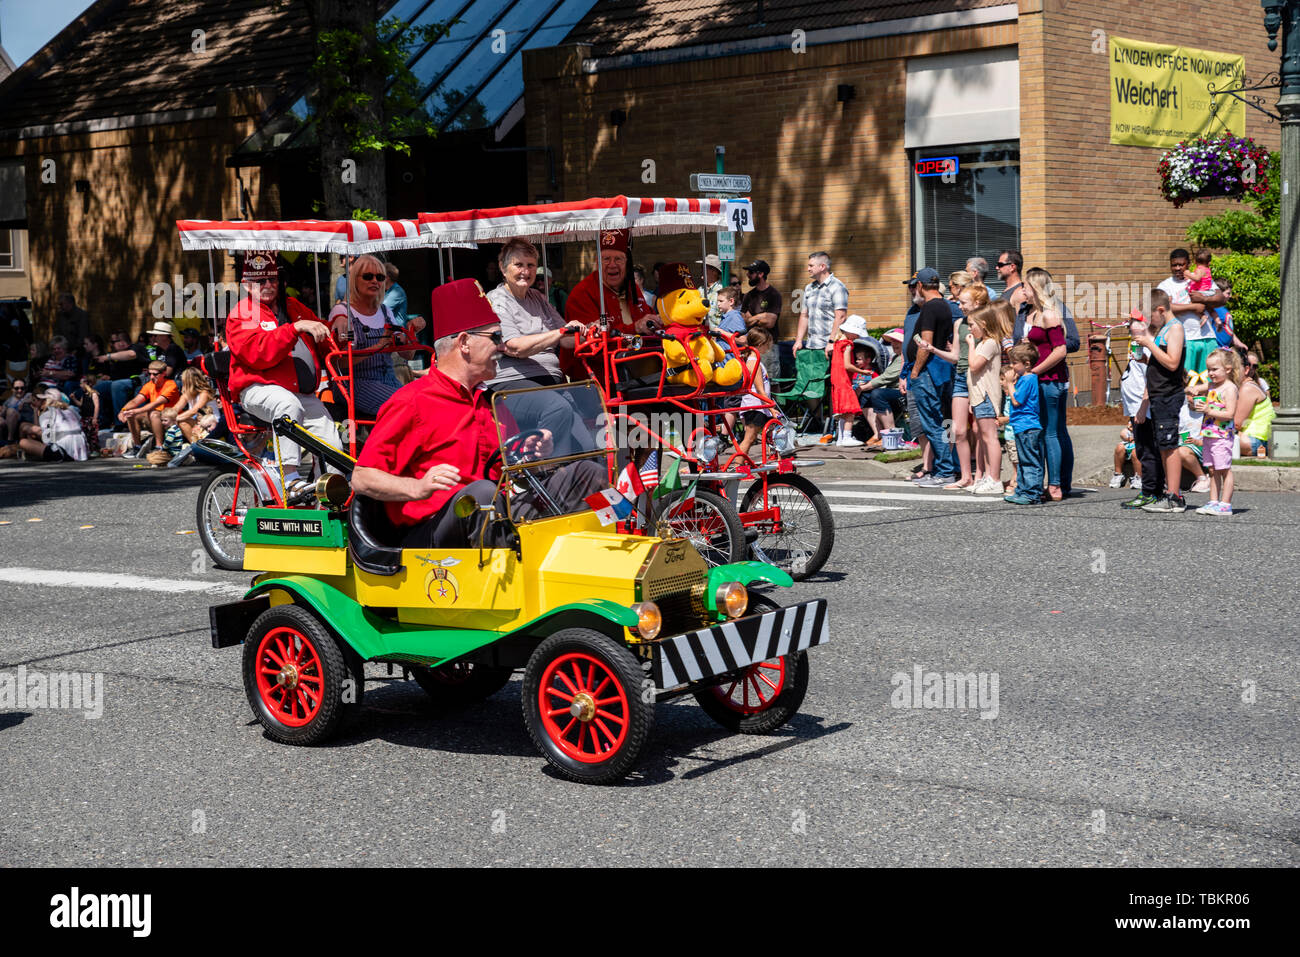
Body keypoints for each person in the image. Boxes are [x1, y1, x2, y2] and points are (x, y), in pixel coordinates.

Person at [351, 278, 606, 548]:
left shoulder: (489, 400)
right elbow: (362, 477)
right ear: (464, 343)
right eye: (495, 336)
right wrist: (417, 487)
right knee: (481, 496)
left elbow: (506, 468)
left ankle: (604, 556)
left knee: (588, 473)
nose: (501, 345)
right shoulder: (413, 401)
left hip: (495, 516)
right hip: (433, 532)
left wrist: (530, 452)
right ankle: (516, 583)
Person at [226, 250, 338, 499]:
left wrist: (338, 329)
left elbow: (322, 336)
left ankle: (330, 493)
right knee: (286, 404)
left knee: (329, 435)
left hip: (299, 391)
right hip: (257, 388)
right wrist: (294, 329)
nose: (267, 285)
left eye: (272, 279)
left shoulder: (293, 306)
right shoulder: (244, 312)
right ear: (246, 285)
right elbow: (257, 354)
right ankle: (289, 478)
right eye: (260, 281)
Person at [485, 239, 590, 454]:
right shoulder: (497, 300)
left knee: (588, 442)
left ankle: (582, 478)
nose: (525, 271)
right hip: (513, 383)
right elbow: (515, 347)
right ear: (504, 269)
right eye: (519, 265)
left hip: (548, 383)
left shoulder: (537, 297)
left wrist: (586, 331)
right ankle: (532, 469)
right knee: (558, 409)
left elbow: (566, 339)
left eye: (531, 265)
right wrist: (560, 333)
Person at [1126, 289, 1186, 513]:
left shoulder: (1176, 329)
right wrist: (1145, 357)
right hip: (1159, 395)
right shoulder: (1164, 330)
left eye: (1150, 317)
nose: (1149, 322)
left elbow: (1172, 363)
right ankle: (1168, 494)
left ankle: (1175, 496)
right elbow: (1161, 361)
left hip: (1169, 395)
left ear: (1160, 310)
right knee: (1163, 445)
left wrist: (1149, 344)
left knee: (1170, 447)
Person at [1021, 269, 1073, 501]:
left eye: (1026, 287)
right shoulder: (1033, 314)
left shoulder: (1050, 315)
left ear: (1036, 288)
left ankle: (1055, 485)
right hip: (1039, 380)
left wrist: (1034, 371)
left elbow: (1060, 350)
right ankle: (1052, 482)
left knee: (1051, 433)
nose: (1022, 291)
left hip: (1051, 381)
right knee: (1046, 432)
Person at [905, 268, 957, 486]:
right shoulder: (944, 305)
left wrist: (915, 371)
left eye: (913, 285)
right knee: (943, 421)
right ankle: (948, 466)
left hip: (929, 371)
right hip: (942, 369)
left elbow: (925, 344)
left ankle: (945, 471)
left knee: (932, 422)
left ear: (919, 285)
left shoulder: (929, 308)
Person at [565, 230, 656, 338]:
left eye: (618, 259)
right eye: (606, 259)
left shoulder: (632, 287)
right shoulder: (582, 293)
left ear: (627, 262)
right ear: (597, 262)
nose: (612, 265)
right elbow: (593, 340)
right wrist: (635, 327)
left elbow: (647, 321)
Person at [1157, 248, 1224, 377]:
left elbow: (1220, 298)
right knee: (1187, 380)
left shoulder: (1199, 278)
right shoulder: (1166, 285)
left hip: (1207, 337)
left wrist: (1203, 299)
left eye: (1181, 264)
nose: (1177, 268)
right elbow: (1165, 307)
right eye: (1174, 265)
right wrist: (1193, 307)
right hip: (1184, 341)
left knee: (1212, 381)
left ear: (1188, 264)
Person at [1191, 348, 1240, 515]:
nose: (1210, 373)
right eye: (1208, 369)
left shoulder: (1229, 388)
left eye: (1214, 369)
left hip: (1222, 436)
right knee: (1212, 469)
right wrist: (1193, 391)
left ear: (1227, 369)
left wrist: (1208, 410)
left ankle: (1225, 504)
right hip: (1209, 434)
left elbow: (1230, 414)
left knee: (1224, 469)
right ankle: (1213, 501)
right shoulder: (1212, 385)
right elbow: (1195, 388)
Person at [964, 303, 1006, 495]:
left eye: (972, 325)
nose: (970, 329)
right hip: (979, 397)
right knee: (984, 437)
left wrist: (971, 345)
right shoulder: (984, 343)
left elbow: (974, 366)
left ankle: (995, 479)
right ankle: (989, 476)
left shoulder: (989, 343)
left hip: (987, 396)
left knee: (990, 438)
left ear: (983, 323)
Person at [1003, 343, 1044, 505]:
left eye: (1014, 363)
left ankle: (1032, 493)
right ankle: (1022, 490)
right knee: (1023, 461)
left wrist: (1009, 383)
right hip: (1022, 426)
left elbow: (1016, 400)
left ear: (1027, 363)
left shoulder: (1028, 379)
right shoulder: (1024, 379)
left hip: (1028, 427)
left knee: (1029, 461)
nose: (1012, 366)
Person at [117, 360, 181, 454]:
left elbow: (155, 404)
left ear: (164, 373)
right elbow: (136, 400)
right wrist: (123, 410)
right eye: (149, 374)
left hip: (170, 417)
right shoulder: (149, 385)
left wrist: (135, 411)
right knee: (131, 414)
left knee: (153, 413)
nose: (151, 377)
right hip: (154, 417)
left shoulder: (171, 385)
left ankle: (159, 447)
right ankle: (137, 446)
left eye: (155, 374)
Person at [90, 329, 149, 428]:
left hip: (138, 381)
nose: (111, 345)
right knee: (98, 387)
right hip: (119, 382)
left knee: (117, 385)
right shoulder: (116, 355)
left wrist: (107, 356)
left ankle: (120, 423)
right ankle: (101, 422)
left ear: (122, 342)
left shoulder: (137, 347)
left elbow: (131, 354)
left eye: (113, 342)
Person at [858, 327, 905, 448]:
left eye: (897, 341)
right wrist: (864, 388)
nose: (894, 344)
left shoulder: (903, 358)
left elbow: (885, 378)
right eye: (892, 341)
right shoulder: (896, 357)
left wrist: (865, 387)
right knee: (866, 396)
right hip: (892, 390)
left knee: (878, 394)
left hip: (904, 393)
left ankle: (892, 435)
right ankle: (877, 433)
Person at [795, 251, 848, 357]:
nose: (808, 269)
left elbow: (841, 317)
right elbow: (804, 316)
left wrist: (831, 342)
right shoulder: (809, 288)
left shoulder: (837, 287)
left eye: (811, 266)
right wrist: (798, 340)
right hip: (811, 346)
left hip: (829, 347)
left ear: (822, 266)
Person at [830, 314, 870, 447]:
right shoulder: (847, 344)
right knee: (850, 411)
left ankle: (840, 438)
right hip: (843, 380)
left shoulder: (837, 343)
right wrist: (862, 371)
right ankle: (847, 437)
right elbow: (847, 365)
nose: (858, 337)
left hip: (836, 380)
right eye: (857, 334)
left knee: (843, 411)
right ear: (851, 331)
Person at [736, 327, 776, 457]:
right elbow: (759, 390)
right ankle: (738, 467)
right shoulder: (754, 363)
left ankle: (776, 466)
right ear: (760, 345)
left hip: (759, 406)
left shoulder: (755, 361)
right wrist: (771, 408)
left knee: (773, 434)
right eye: (767, 344)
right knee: (749, 439)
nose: (769, 347)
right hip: (755, 407)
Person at [1236, 353, 1275, 457]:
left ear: (1245, 370)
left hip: (1255, 441)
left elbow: (1237, 424)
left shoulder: (1247, 388)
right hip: (1258, 438)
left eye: (1233, 369)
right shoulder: (1250, 385)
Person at [696, 254, 725, 329]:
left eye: (704, 268)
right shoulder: (700, 290)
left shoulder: (722, 290)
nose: (701, 270)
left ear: (714, 272)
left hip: (717, 336)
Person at [382, 263, 409, 328]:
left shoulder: (397, 292)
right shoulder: (388, 291)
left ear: (386, 278)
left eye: (379, 276)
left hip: (397, 334)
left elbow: (381, 310)